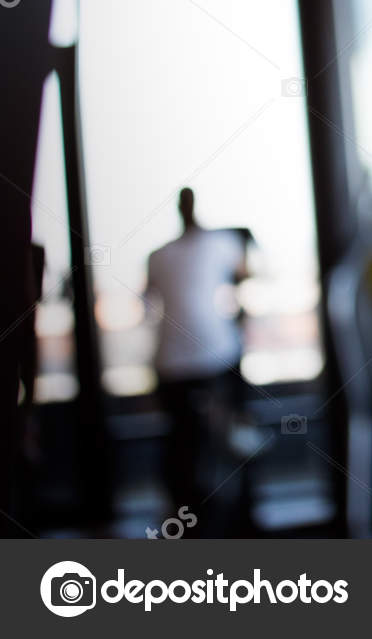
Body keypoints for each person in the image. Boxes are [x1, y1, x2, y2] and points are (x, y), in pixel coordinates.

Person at [142, 187, 250, 533]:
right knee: (231, 428)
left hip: (171, 361)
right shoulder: (222, 244)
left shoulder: (158, 255)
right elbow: (245, 276)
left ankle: (185, 512)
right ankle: (237, 507)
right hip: (215, 354)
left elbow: (147, 305)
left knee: (180, 438)